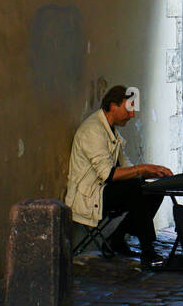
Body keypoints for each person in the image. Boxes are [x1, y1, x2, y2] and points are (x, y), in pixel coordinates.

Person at [64, 85, 172, 268]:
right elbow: (108, 174)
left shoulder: (111, 129)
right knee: (136, 190)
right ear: (113, 105)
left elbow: (128, 167)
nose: (132, 115)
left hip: (102, 190)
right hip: (88, 196)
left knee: (152, 189)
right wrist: (143, 169)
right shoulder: (93, 130)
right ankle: (148, 251)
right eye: (128, 109)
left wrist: (151, 171)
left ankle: (119, 238)